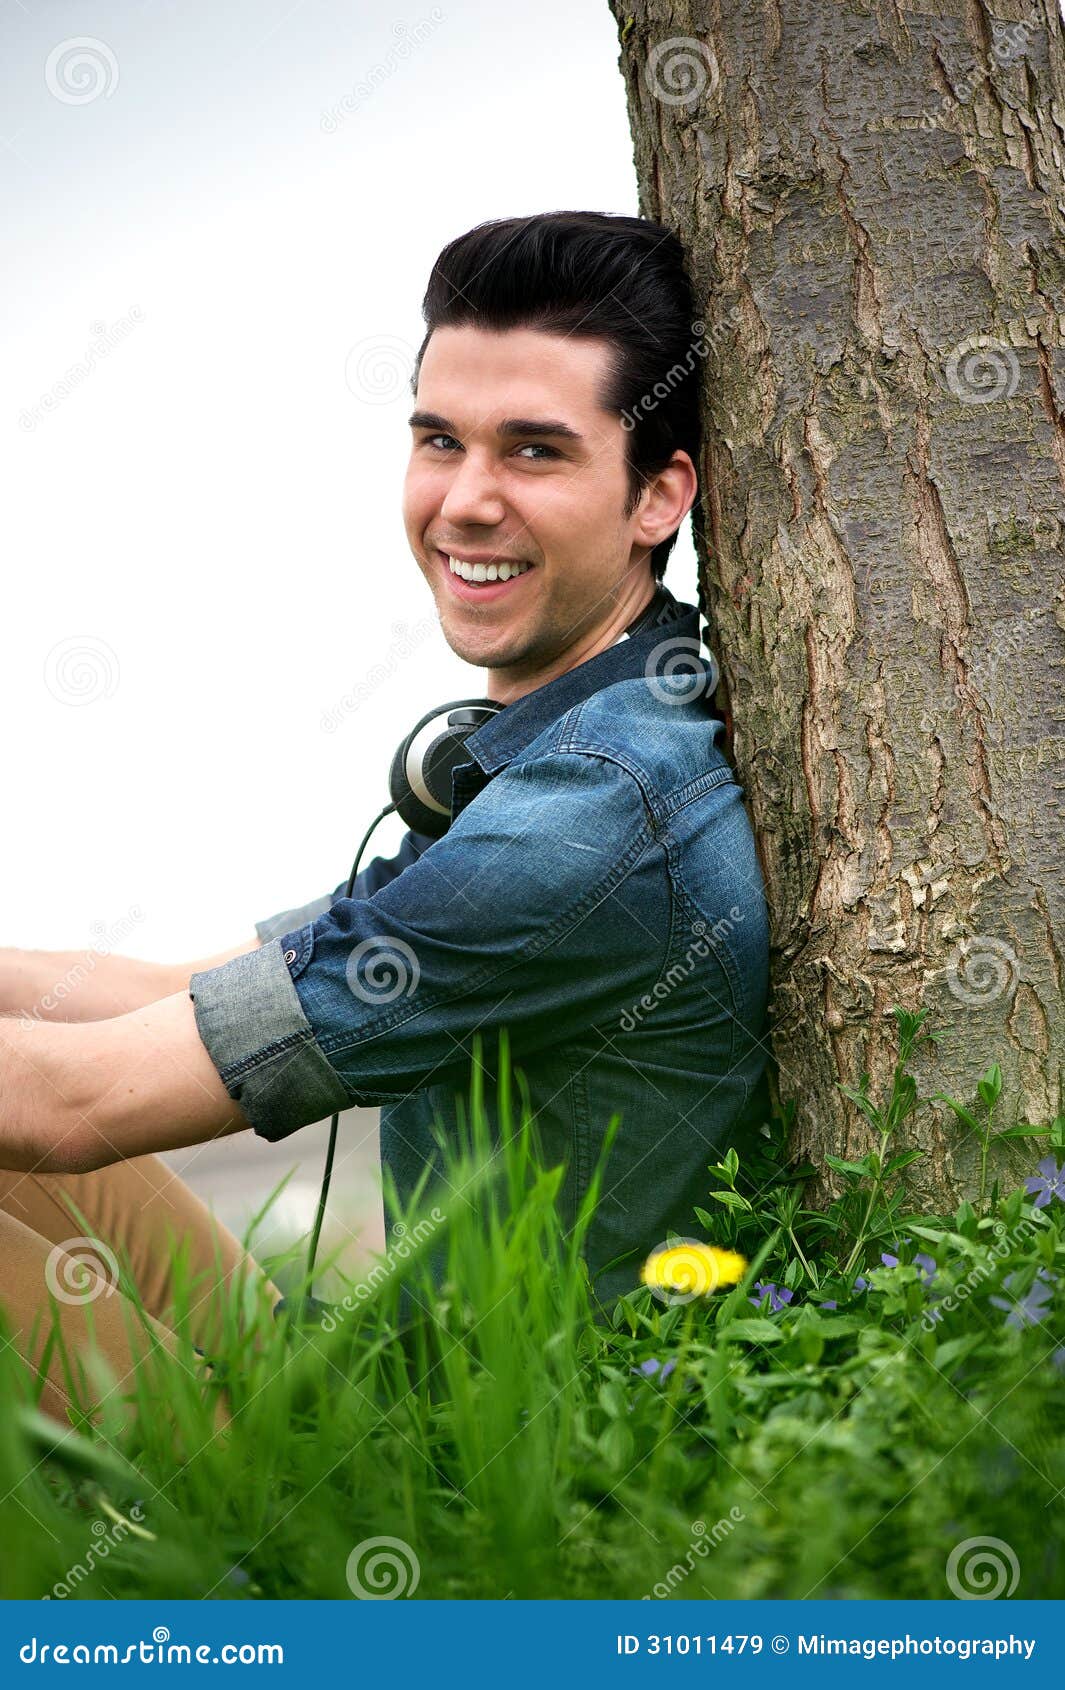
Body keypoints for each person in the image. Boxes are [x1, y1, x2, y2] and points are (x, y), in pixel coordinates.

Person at [0, 210, 771, 1426]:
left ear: (657, 495)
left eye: (534, 452)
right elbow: (186, 989)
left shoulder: (587, 823)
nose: (464, 501)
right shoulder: (575, 744)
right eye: (439, 440)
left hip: (456, 1462)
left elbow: (71, 1103)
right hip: (383, 1384)